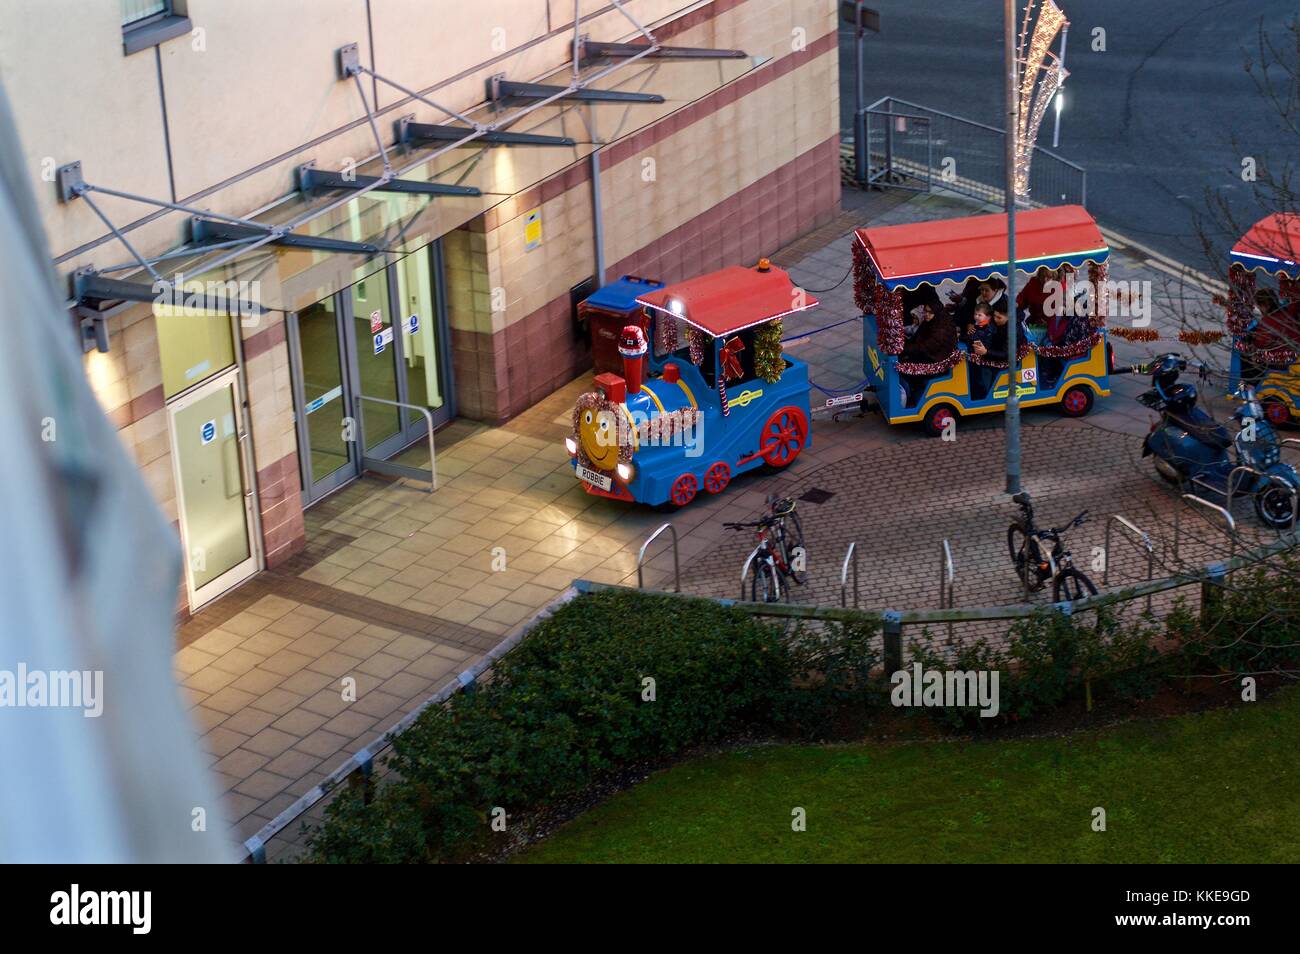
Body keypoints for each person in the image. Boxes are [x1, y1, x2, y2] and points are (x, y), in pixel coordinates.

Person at [899, 301, 958, 406]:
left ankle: (910, 397)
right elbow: (917, 339)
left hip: (937, 361)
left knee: (905, 365)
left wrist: (905, 349)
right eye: (925, 311)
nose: (926, 314)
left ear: (937, 313)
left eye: (930, 312)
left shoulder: (941, 329)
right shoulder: (929, 322)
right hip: (927, 354)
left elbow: (926, 347)